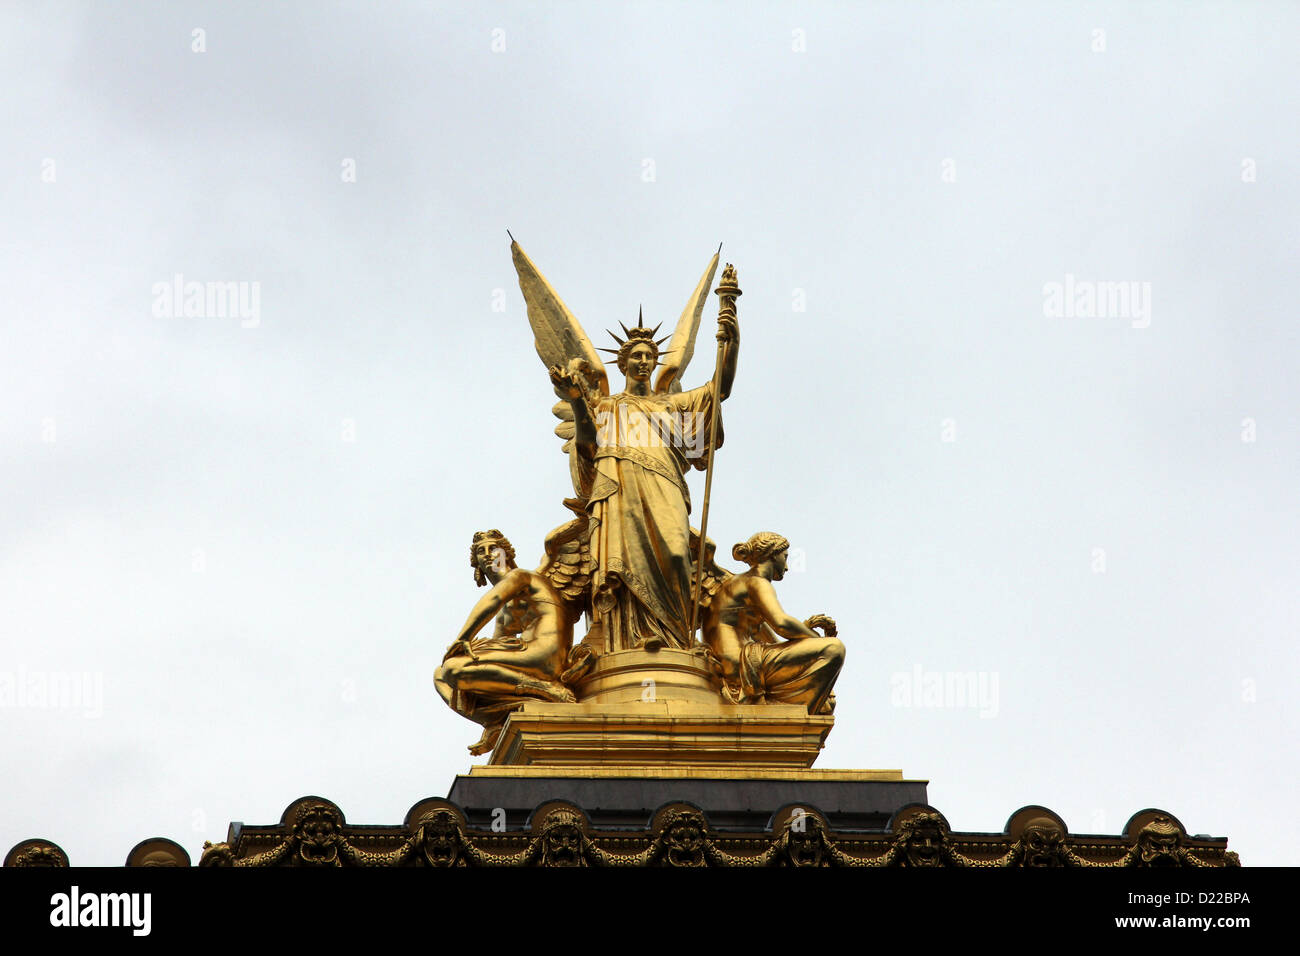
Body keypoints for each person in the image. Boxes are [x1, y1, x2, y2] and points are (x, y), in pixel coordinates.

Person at [550, 311, 738, 651]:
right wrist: (578, 400)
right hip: (618, 486)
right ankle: (626, 642)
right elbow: (588, 443)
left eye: (648, 356)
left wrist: (731, 338)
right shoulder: (606, 406)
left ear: (655, 362)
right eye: (635, 355)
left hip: (665, 484)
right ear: (622, 364)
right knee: (618, 565)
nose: (642, 360)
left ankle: (677, 640)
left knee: (678, 557)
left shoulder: (674, 405)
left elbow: (718, 390)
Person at [435, 530, 576, 755]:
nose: (489, 554)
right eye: (481, 551)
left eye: (494, 549)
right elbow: (487, 664)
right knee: (443, 676)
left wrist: (464, 637)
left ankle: (543, 688)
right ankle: (495, 721)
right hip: (526, 658)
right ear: (477, 563)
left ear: (507, 555)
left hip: (544, 655)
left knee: (452, 668)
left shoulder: (522, 577)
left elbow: (493, 599)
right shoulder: (505, 612)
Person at [703, 532, 843, 714]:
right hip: (741, 663)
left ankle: (793, 711)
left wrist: (805, 636)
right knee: (834, 648)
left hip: (733, 660)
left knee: (824, 650)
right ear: (772, 554)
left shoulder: (737, 583)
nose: (786, 566)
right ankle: (799, 713)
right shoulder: (756, 583)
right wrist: (816, 640)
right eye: (785, 557)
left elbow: (775, 641)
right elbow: (782, 623)